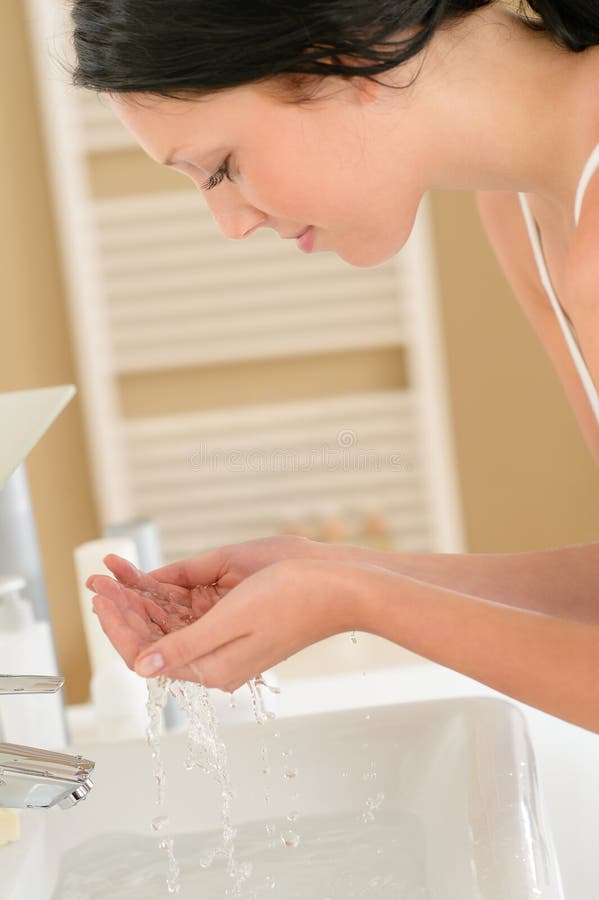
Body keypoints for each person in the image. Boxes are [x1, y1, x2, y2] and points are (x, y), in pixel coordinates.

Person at [72, 0, 599, 731]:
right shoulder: (516, 212)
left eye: (221, 167)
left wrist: (361, 602)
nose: (230, 226)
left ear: (343, 56)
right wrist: (336, 575)